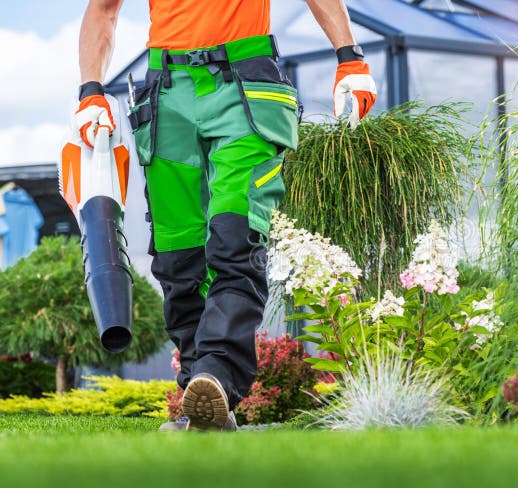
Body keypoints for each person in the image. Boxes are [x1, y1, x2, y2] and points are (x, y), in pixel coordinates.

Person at [75, 0, 378, 431]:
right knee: (177, 259)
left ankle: (215, 373)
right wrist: (90, 91)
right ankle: (200, 400)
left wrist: (350, 57)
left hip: (244, 85)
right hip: (167, 94)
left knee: (235, 238)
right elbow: (103, 9)